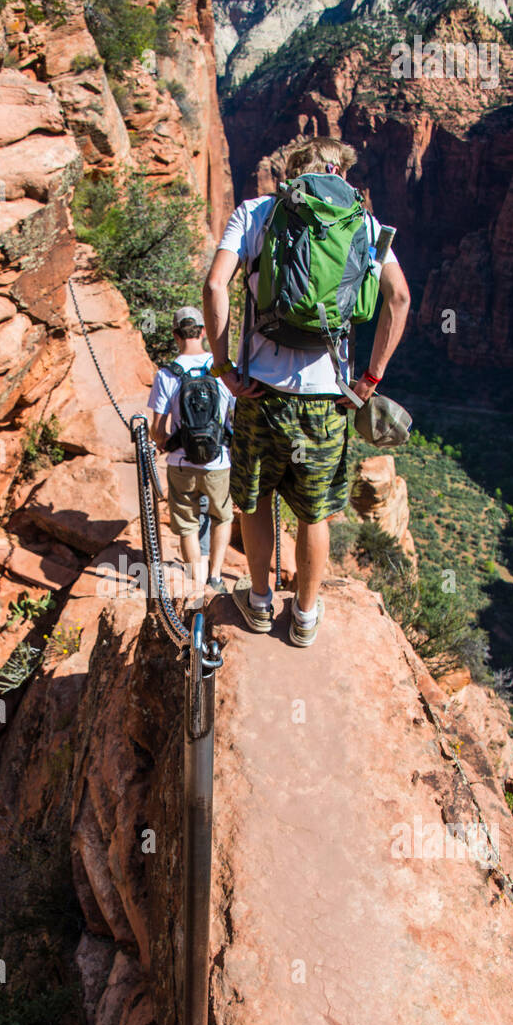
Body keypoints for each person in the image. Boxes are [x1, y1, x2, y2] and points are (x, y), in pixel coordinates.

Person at [202, 135, 411, 645]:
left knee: (255, 501)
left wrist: (224, 365)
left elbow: (213, 287)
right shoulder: (362, 223)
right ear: (339, 173)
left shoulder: (255, 212)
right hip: (329, 400)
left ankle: (256, 603)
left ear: (292, 172)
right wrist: (370, 380)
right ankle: (305, 616)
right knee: (315, 512)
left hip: (259, 393)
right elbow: (399, 298)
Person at [148, 306, 235, 602]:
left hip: (180, 462)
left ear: (175, 335)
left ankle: (196, 584)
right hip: (218, 461)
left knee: (187, 523)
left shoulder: (166, 374)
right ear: (202, 332)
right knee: (221, 517)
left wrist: (163, 442)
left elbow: (157, 429)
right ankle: (216, 577)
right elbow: (238, 415)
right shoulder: (224, 368)